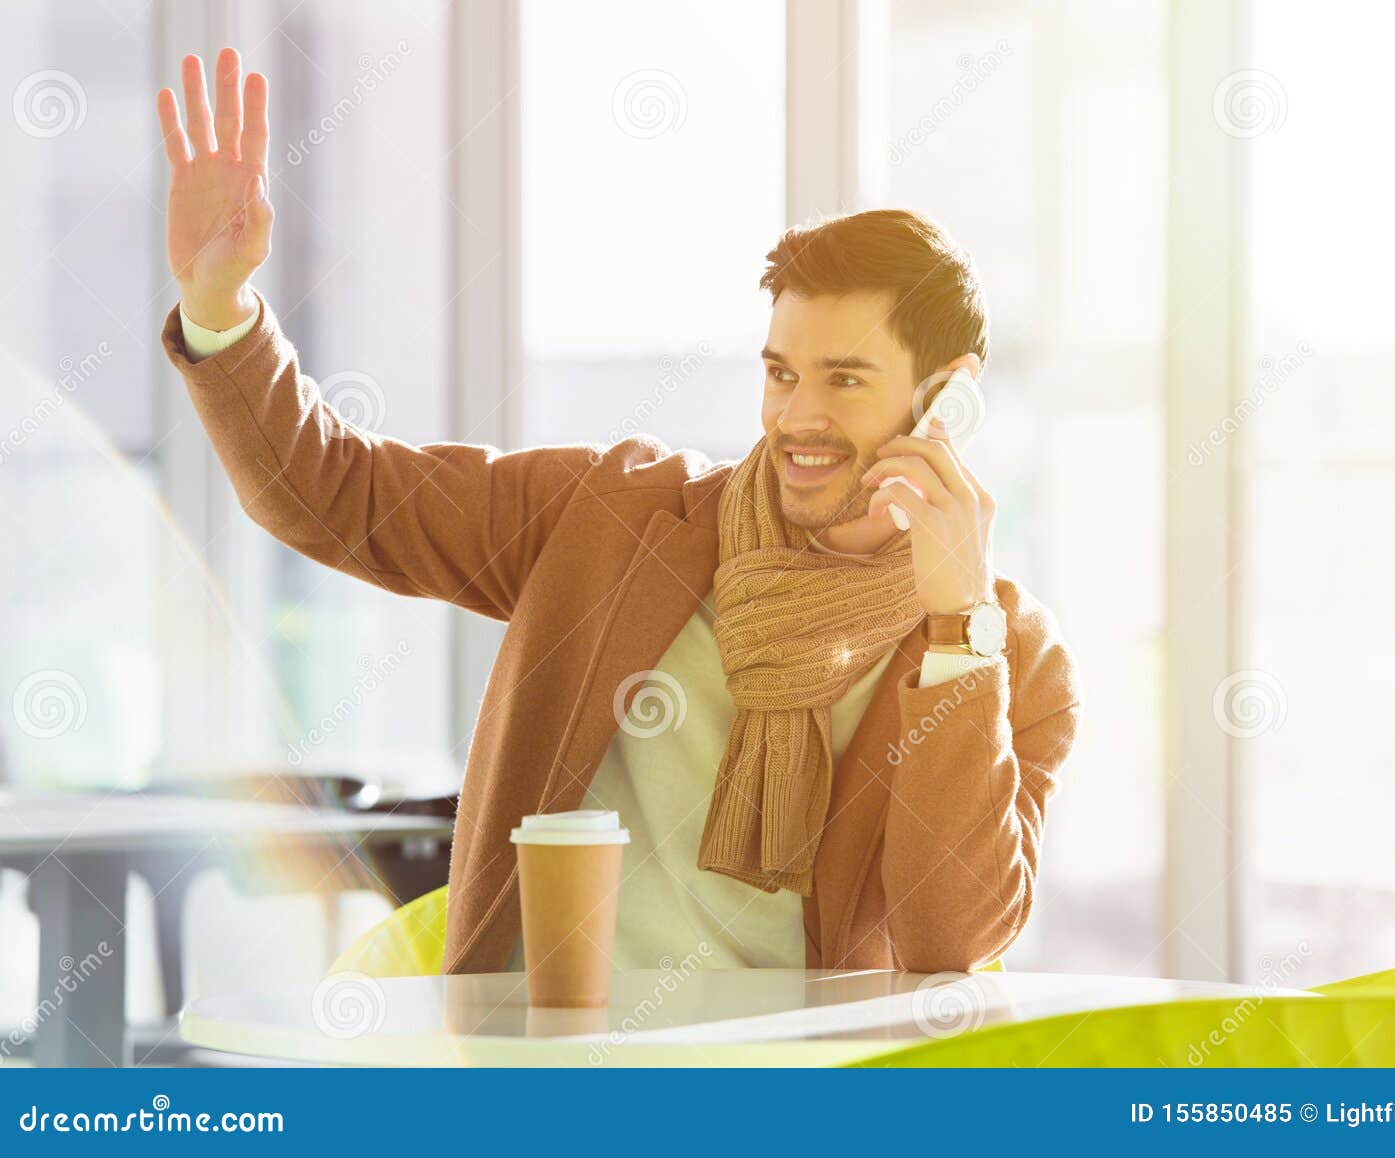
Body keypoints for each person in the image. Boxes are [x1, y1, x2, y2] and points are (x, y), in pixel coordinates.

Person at [155, 48, 1080, 974]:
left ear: (946, 396)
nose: (798, 417)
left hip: (799, 1060)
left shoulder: (1013, 656)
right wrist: (217, 304)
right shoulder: (614, 515)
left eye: (845, 380)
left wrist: (958, 628)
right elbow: (334, 491)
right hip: (549, 1047)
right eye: (781, 373)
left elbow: (947, 938)